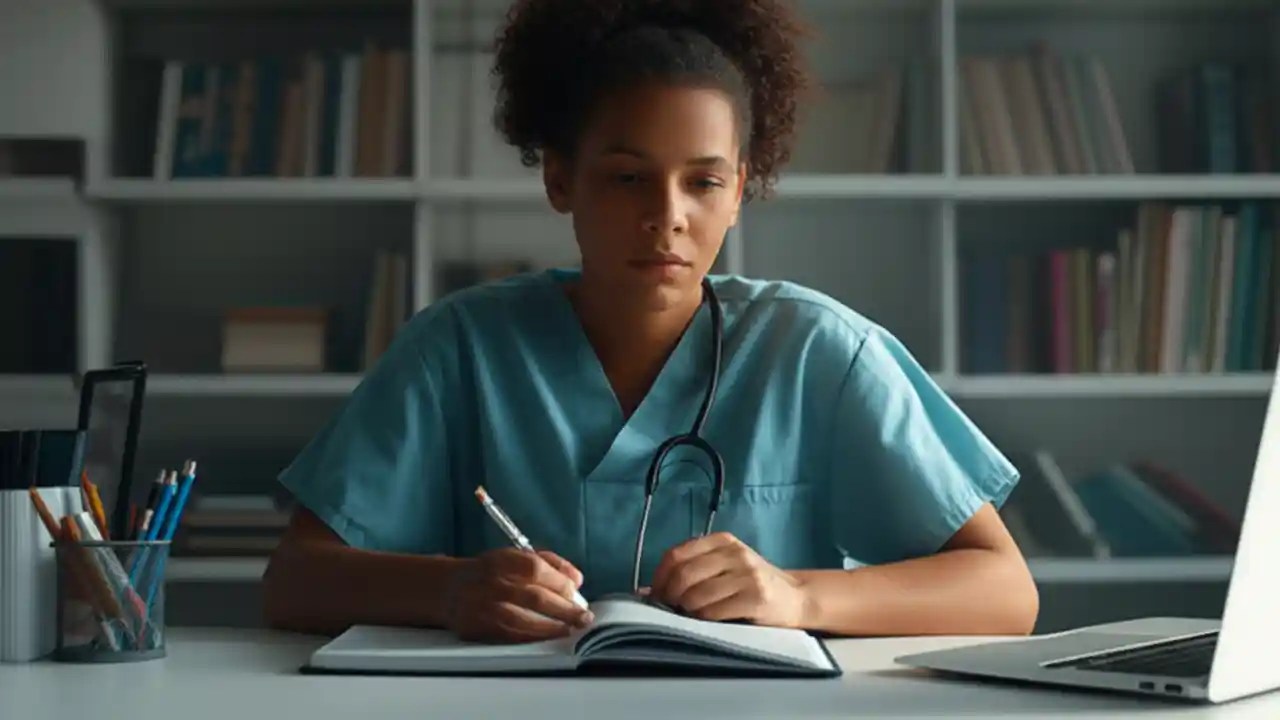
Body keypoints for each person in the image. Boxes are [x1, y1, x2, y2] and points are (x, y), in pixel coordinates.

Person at [263, 0, 1039, 644]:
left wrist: (799, 596)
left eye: (703, 182)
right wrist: (448, 591)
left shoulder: (818, 352)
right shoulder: (459, 348)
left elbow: (1006, 590)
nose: (666, 217)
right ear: (561, 179)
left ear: (740, 192)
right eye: (629, 178)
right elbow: (293, 582)